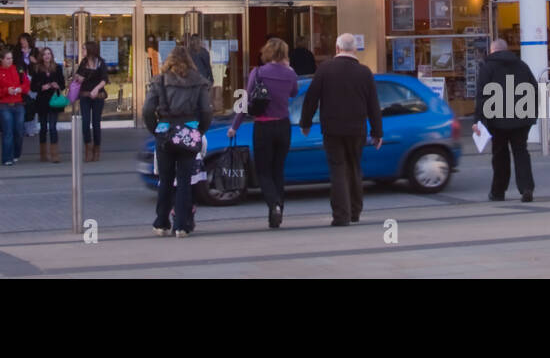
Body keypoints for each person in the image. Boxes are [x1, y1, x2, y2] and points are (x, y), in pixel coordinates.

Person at [299, 33, 382, 226]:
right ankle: (355, 211)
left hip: (332, 129)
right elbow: (373, 105)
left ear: (337, 49)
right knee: (354, 168)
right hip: (357, 130)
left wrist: (306, 123)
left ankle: (341, 215)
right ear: (354, 49)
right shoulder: (364, 72)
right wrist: (377, 132)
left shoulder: (325, 69)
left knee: (338, 170)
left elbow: (311, 98)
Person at [143, 43, 212, 237]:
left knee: (165, 180)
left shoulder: (160, 81)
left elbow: (148, 110)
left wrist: (155, 129)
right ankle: (181, 225)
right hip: (188, 132)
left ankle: (161, 222)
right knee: (184, 181)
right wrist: (199, 130)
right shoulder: (198, 81)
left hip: (165, 131)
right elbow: (206, 111)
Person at [228, 37, 299, 229]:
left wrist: (235, 126)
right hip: (284, 126)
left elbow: (245, 101)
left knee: (263, 171)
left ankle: (273, 204)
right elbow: (294, 93)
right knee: (278, 170)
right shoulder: (290, 74)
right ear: (284, 54)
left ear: (267, 52)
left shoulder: (258, 72)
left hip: (263, 126)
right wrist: (288, 69)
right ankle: (276, 213)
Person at [473, 38, 538, 202]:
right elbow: (534, 89)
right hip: (521, 119)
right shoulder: (522, 65)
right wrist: (531, 114)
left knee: (500, 155)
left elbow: (482, 96)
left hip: (497, 120)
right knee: (521, 152)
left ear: (492, 51)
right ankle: (526, 188)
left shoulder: (488, 68)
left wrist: (478, 120)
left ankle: (498, 191)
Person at [0, 49, 28, 165]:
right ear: (1, 59)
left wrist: (21, 89)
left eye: (11, 58)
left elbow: (26, 83)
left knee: (19, 130)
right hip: (3, 104)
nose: (10, 61)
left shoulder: (18, 69)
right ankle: (7, 158)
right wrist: (6, 91)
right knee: (8, 131)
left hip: (18, 103)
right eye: (7, 58)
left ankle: (16, 153)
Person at [75, 41, 109, 161]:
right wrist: (77, 78)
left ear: (90, 50)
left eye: (84, 49)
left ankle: (96, 149)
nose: (82, 51)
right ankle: (88, 147)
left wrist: (96, 89)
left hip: (97, 96)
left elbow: (105, 79)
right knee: (85, 122)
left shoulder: (100, 63)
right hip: (85, 95)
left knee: (96, 123)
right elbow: (78, 77)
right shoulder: (83, 63)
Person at [32, 47, 65, 163]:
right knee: (43, 128)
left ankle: (55, 154)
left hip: (54, 100)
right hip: (42, 101)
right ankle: (43, 154)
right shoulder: (37, 69)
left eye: (49, 54)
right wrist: (42, 87)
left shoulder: (57, 68)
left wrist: (57, 85)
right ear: (42, 56)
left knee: (52, 127)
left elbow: (63, 84)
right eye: (45, 54)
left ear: (51, 56)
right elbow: (33, 87)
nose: (47, 56)